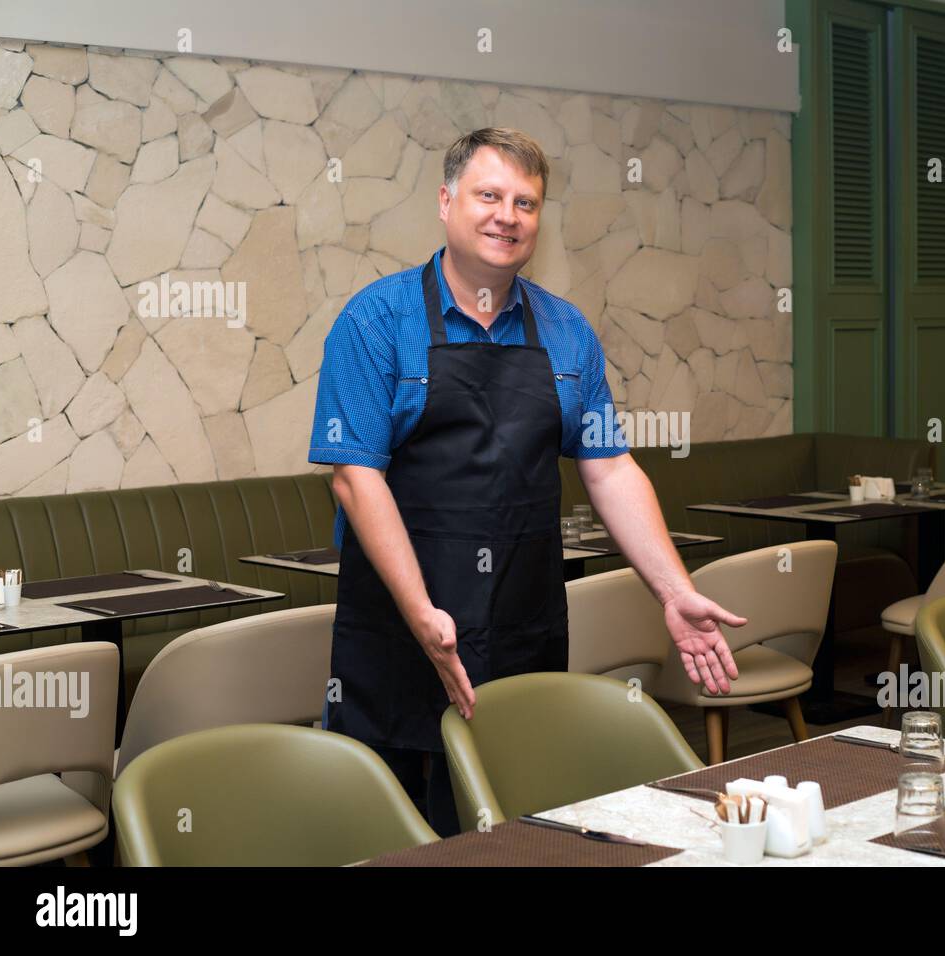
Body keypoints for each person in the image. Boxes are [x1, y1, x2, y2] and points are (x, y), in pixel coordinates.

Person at [308, 127, 744, 837]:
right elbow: (356, 479)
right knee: (394, 834)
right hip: (398, 626)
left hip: (522, 621)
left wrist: (674, 590)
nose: (506, 215)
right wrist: (423, 614)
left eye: (526, 203)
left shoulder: (567, 333)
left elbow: (608, 467)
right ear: (446, 203)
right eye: (488, 195)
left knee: (515, 822)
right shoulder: (374, 322)